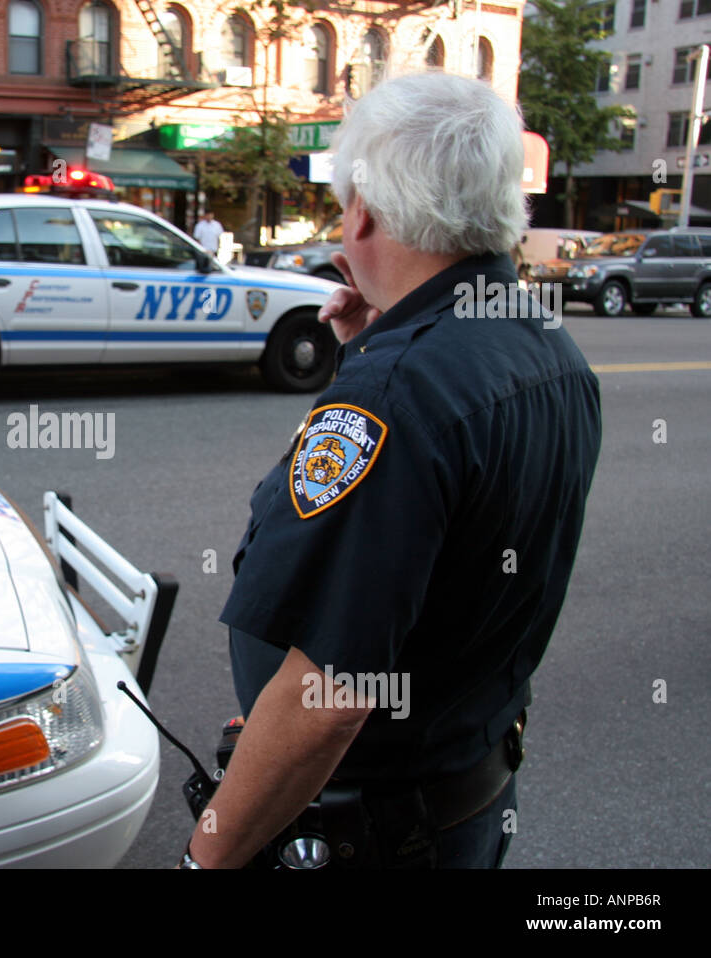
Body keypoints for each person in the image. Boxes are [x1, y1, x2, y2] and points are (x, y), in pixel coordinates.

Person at [178, 72, 602, 869]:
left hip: (377, 833)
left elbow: (327, 698)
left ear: (366, 211)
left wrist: (206, 859)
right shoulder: (550, 348)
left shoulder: (395, 394)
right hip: (469, 795)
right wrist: (377, 346)